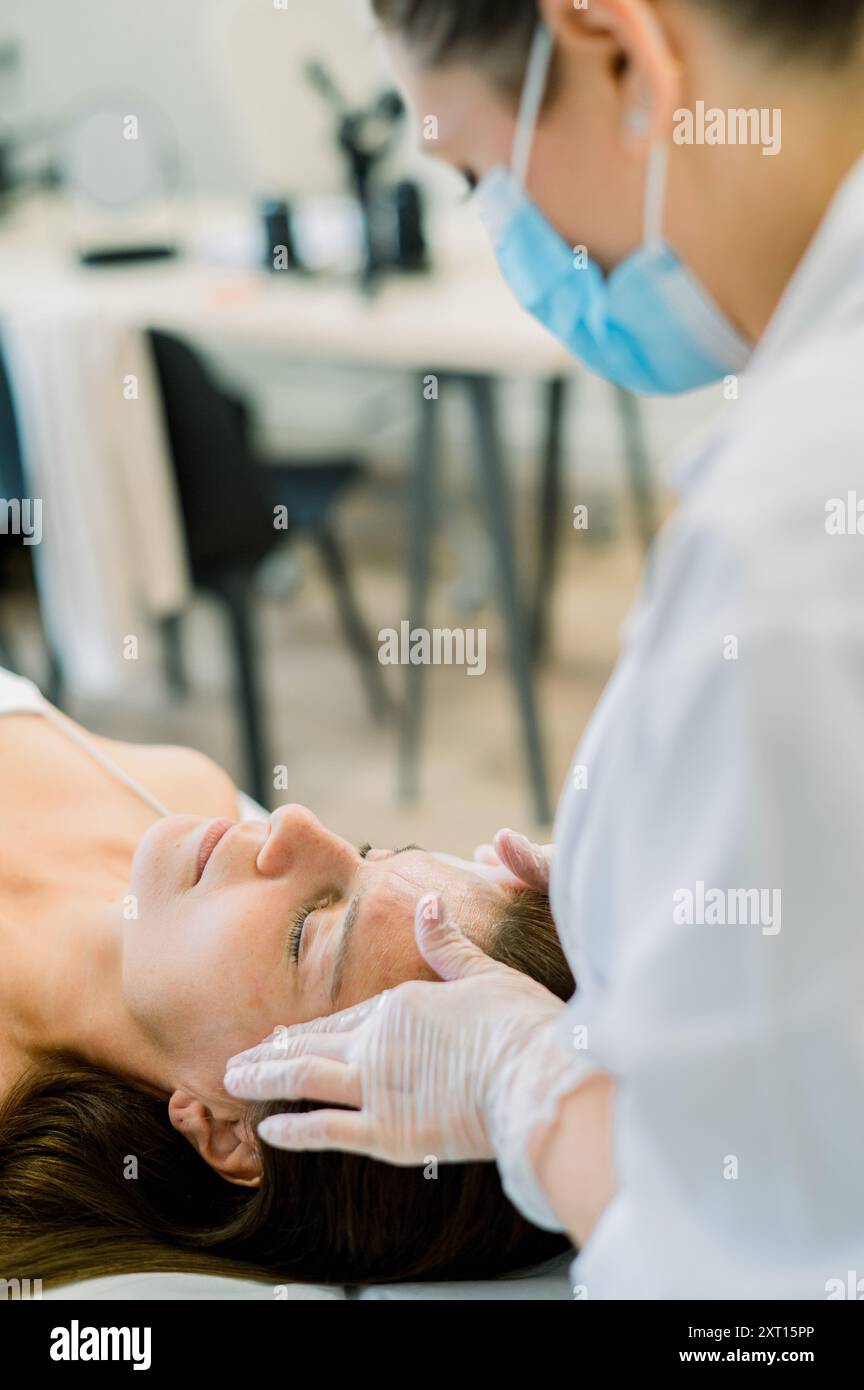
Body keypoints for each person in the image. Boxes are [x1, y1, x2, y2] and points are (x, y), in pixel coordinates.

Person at [227, 0, 864, 1299]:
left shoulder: (791, 553)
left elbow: (753, 1283)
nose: (292, 823)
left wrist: (528, 1088)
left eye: (476, 171)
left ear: (618, 45)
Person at [0, 665, 572, 1285]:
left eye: (306, 932)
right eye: (363, 853)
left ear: (237, 1134)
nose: (294, 822)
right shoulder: (181, 788)